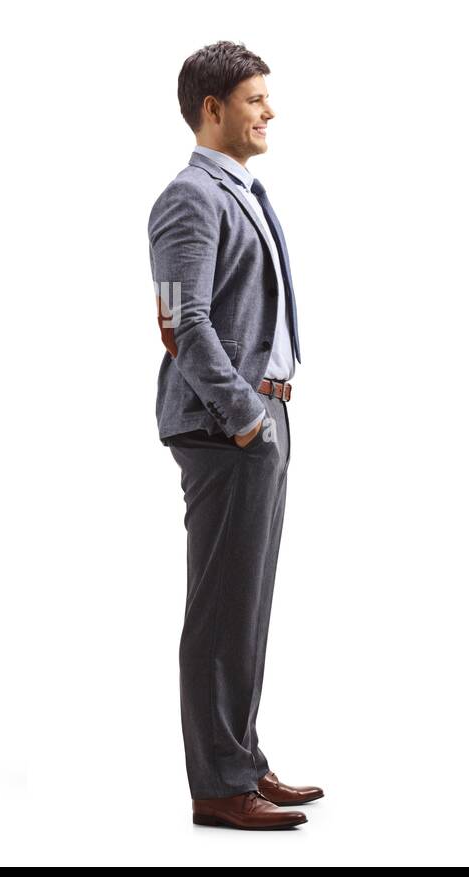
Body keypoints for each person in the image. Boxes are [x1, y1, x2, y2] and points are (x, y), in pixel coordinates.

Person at [148, 40, 323, 829]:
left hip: (262, 417)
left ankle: (241, 759)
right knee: (222, 609)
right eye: (255, 99)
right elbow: (182, 321)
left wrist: (269, 413)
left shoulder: (241, 189)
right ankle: (219, 786)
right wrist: (246, 417)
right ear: (212, 109)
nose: (269, 112)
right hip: (228, 427)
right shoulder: (190, 197)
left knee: (246, 606)